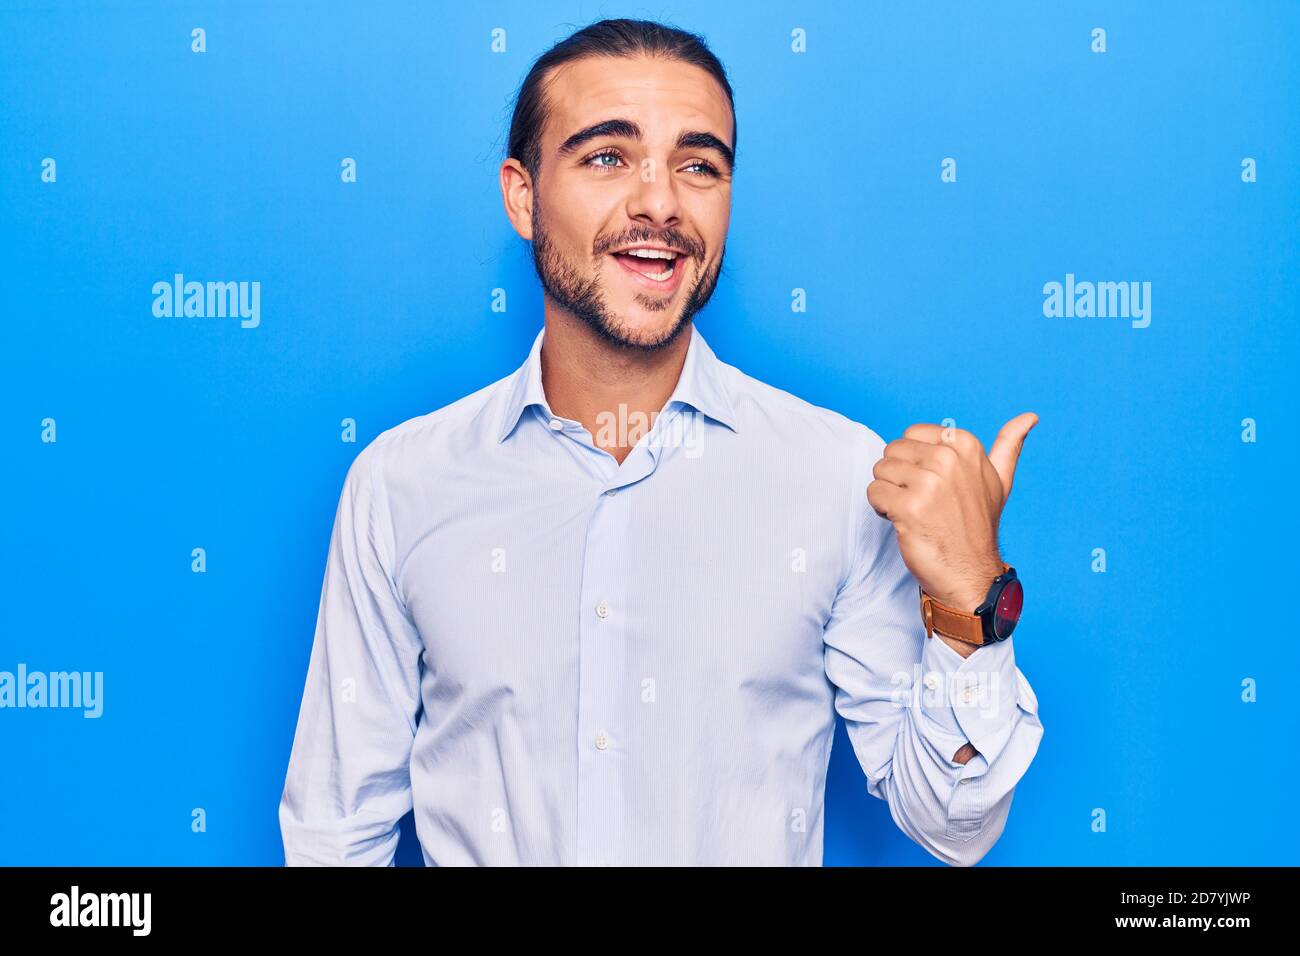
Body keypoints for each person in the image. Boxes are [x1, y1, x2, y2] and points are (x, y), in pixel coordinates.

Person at [279, 17, 1043, 867]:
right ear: (522, 196)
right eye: (607, 157)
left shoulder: (836, 476)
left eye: (698, 165)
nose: (660, 202)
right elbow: (335, 832)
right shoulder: (400, 484)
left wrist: (974, 602)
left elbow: (953, 825)